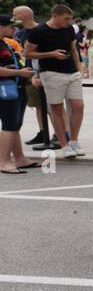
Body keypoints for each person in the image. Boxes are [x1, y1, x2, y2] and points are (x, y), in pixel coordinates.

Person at [23, 4, 85, 156]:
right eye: (66, 19)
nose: (68, 22)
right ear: (56, 15)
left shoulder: (69, 29)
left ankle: (74, 142)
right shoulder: (39, 31)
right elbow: (28, 53)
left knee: (79, 106)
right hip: (51, 73)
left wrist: (79, 68)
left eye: (70, 19)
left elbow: (73, 48)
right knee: (56, 109)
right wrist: (51, 54)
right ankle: (64, 145)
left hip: (72, 72)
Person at [0, 14, 38, 173]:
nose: (14, 29)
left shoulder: (5, 42)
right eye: (10, 26)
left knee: (15, 125)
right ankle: (4, 162)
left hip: (16, 86)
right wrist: (20, 72)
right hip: (5, 88)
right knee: (9, 125)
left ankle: (19, 158)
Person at [12, 6, 51, 150]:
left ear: (24, 15)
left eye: (15, 14)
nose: (13, 17)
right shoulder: (19, 33)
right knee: (37, 105)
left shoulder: (41, 30)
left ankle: (59, 135)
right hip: (27, 72)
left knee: (51, 105)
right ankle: (43, 132)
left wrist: (38, 73)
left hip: (42, 71)